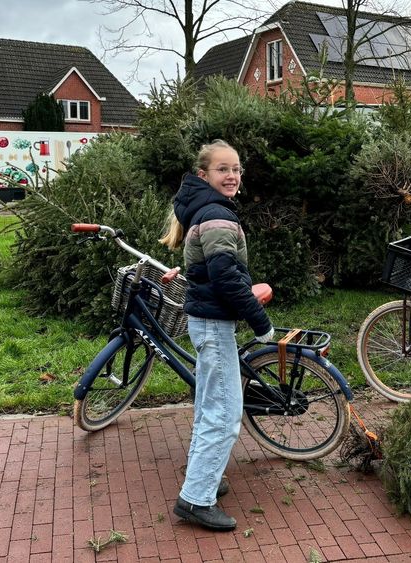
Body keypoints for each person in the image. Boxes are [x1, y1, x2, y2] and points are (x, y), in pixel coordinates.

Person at [159, 139, 274, 531]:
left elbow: (215, 272)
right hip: (213, 324)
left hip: (206, 322)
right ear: (204, 174)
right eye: (223, 169)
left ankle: (204, 479)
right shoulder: (217, 214)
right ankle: (195, 500)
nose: (233, 176)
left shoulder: (206, 209)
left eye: (237, 169)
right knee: (225, 413)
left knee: (210, 405)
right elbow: (225, 277)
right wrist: (261, 322)